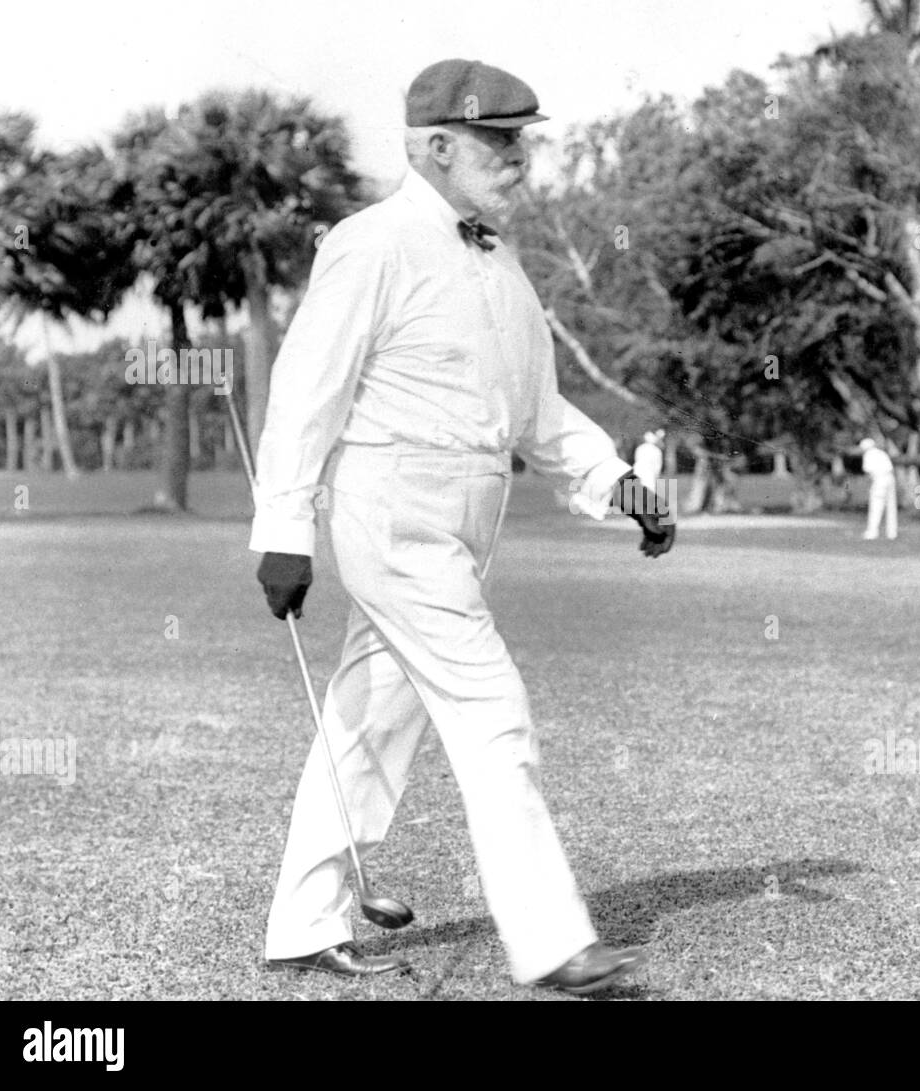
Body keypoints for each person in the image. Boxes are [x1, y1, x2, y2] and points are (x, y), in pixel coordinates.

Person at [249, 59, 675, 993]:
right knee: (492, 711)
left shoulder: (500, 258)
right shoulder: (371, 243)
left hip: (468, 517)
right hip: (393, 511)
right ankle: (555, 943)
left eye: (524, 138)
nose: (520, 155)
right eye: (500, 138)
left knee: (368, 717)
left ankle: (302, 923)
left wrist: (617, 484)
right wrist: (282, 526)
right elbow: (306, 389)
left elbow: (537, 412)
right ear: (437, 147)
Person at [859, 437, 897, 540]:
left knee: (876, 505)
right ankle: (892, 533)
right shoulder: (882, 453)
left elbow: (869, 472)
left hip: (879, 479)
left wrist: (869, 486)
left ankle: (872, 532)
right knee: (891, 506)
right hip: (890, 479)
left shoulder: (868, 454)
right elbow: (891, 468)